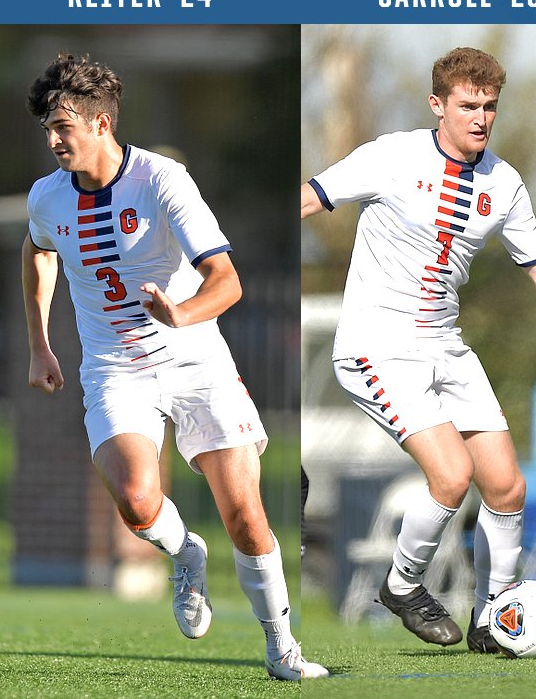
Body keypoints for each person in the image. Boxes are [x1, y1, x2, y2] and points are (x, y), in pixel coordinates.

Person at [301, 47, 536, 653]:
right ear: (437, 106)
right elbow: (310, 197)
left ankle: (492, 618)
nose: (481, 118)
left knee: (506, 487)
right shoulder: (391, 157)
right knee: (451, 477)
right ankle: (402, 586)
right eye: (468, 105)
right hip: (377, 345)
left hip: (445, 348)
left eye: (490, 107)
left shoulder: (503, 183)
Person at [22, 53, 326, 682]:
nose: (53, 140)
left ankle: (282, 645)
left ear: (103, 122)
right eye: (48, 128)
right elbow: (38, 248)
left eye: (63, 126)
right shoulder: (47, 197)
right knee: (136, 501)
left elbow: (227, 281)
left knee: (245, 514)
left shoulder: (163, 181)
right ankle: (186, 553)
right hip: (115, 369)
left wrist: (182, 314)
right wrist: (40, 344)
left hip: (197, 360)